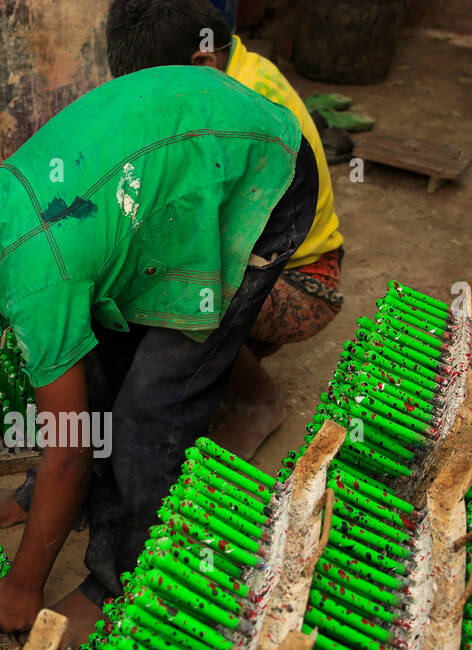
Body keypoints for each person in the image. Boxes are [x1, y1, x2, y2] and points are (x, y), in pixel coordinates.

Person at [0, 66, 317, 649]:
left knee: (151, 409)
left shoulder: (38, 283)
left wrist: (24, 583)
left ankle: (118, 582)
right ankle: (111, 486)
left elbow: (66, 451)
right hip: (183, 144)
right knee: (99, 367)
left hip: (258, 173)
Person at [106, 0, 346, 459]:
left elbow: (204, 242)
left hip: (306, 282)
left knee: (164, 281)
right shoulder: (230, 73)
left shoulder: (245, 111)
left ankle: (259, 401)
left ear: (202, 62)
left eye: (161, 91)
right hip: (264, 257)